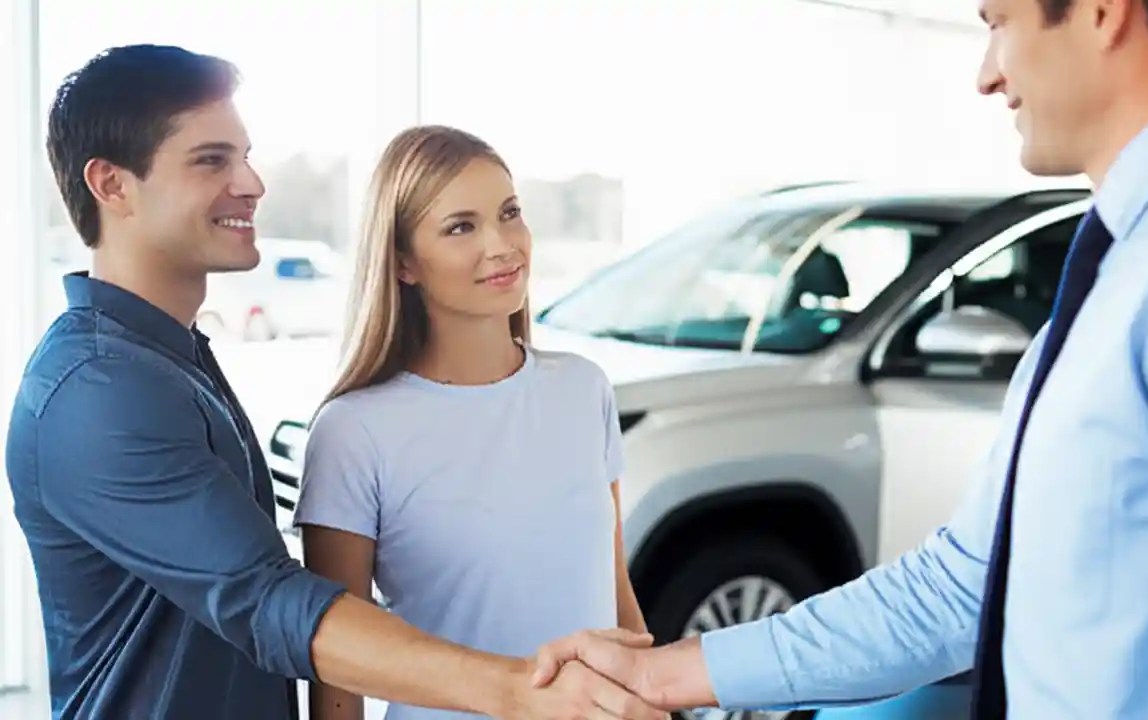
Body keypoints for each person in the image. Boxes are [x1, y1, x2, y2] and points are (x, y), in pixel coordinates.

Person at [529, 0, 1148, 718]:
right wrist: (655, 674)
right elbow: (963, 585)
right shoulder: (1128, 264)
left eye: (999, 22)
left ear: (1102, 10)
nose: (988, 73)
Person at [5, 44, 662, 720]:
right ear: (112, 186)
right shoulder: (98, 391)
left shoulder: (168, 358)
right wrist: (519, 691)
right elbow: (266, 599)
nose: (254, 183)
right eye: (212, 160)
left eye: (245, 155)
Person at [292, 124, 648, 720]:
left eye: (510, 213)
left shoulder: (584, 389)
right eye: (462, 227)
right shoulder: (353, 432)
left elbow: (615, 594)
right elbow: (335, 671)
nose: (502, 244)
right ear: (403, 262)